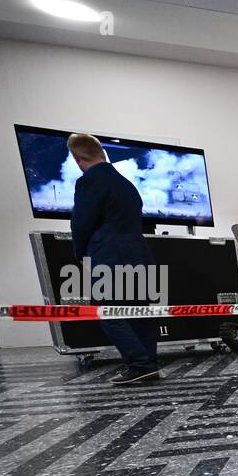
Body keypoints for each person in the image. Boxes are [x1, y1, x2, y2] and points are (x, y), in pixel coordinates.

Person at [68, 133, 159, 384]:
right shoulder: (126, 184)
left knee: (106, 311)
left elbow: (81, 223)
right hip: (140, 254)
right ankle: (148, 362)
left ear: (77, 159)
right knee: (140, 312)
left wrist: (80, 253)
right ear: (102, 153)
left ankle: (140, 364)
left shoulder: (89, 181)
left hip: (109, 256)